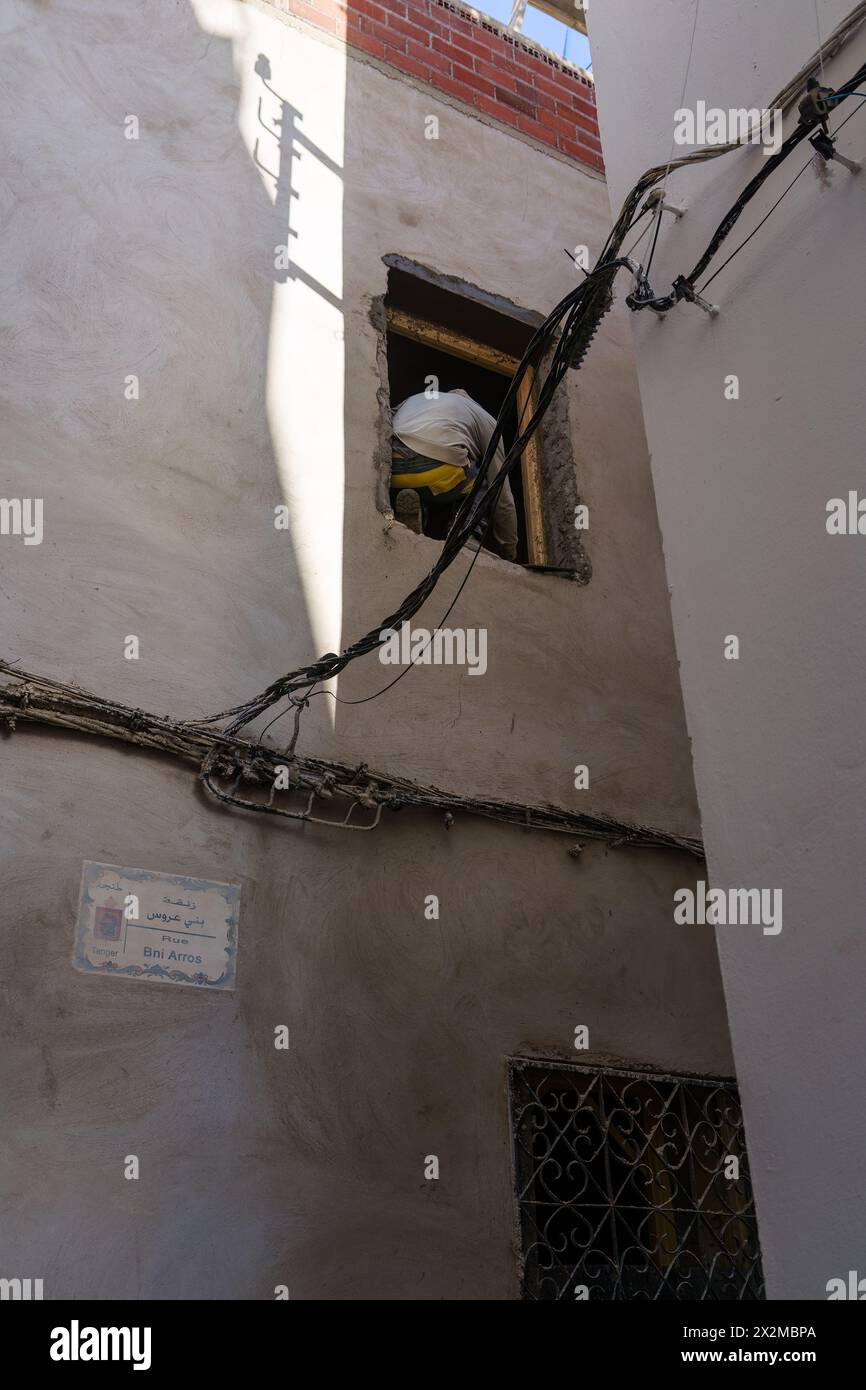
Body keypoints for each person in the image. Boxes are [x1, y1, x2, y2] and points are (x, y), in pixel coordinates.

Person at [390, 388, 518, 562]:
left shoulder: (416, 398)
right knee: (484, 476)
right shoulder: (485, 418)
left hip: (393, 471)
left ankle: (414, 518)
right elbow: (502, 493)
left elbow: (383, 417)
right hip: (435, 472)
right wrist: (508, 549)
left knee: (433, 484)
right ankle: (467, 534)